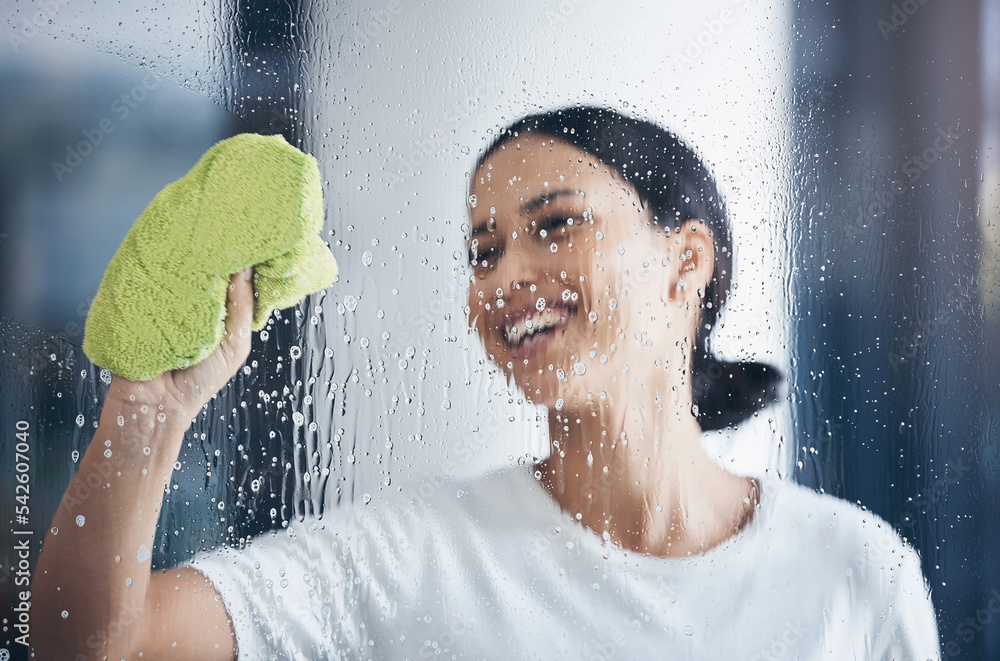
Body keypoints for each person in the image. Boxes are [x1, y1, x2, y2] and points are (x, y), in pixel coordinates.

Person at [33, 106, 941, 660]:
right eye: (484, 250)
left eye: (554, 226)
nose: (504, 278)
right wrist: (148, 413)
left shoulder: (859, 572)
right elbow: (97, 646)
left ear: (685, 261)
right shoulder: (409, 554)